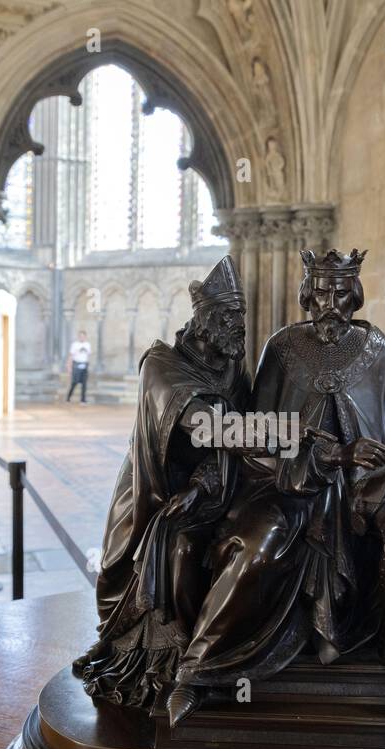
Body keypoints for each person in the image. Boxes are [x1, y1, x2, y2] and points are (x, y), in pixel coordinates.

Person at [166, 249, 385, 726]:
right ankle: (197, 669)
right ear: (307, 292)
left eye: (341, 290)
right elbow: (255, 430)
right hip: (290, 485)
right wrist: (311, 457)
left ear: (356, 293)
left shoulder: (377, 349)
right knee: (255, 549)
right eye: (322, 289)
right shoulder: (282, 348)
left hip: (367, 485)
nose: (331, 301)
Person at [73, 256, 251, 712]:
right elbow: (207, 428)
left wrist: (204, 484)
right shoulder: (162, 363)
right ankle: (143, 654)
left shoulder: (234, 367)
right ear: (206, 320)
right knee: (172, 543)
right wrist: (288, 432)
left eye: (242, 317)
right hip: (151, 493)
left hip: (212, 488)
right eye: (230, 318)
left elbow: (233, 443)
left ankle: (201, 663)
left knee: (215, 543)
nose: (240, 327)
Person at [66, 331, 90, 403]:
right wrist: (69, 366)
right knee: (74, 382)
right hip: (76, 364)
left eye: (83, 336)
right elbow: (71, 355)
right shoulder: (75, 345)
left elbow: (88, 355)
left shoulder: (87, 345)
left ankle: (83, 400)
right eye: (80, 336)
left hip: (84, 364)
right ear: (78, 337)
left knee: (84, 383)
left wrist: (87, 364)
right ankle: (68, 397)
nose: (82, 337)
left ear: (85, 337)